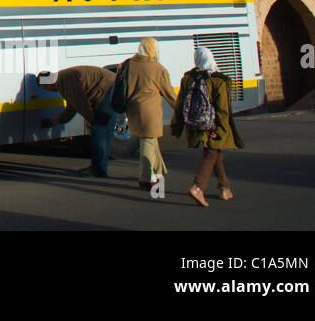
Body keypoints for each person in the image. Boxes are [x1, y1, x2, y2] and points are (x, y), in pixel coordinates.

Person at [172, 45, 244, 207]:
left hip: (195, 124)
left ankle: (225, 187)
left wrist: (177, 127)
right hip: (212, 126)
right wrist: (220, 131)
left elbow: (180, 104)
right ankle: (198, 187)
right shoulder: (218, 80)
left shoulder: (188, 79)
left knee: (215, 153)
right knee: (211, 154)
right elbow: (223, 110)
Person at [39, 65, 118, 177]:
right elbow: (72, 107)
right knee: (106, 131)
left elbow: (82, 105)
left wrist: (91, 120)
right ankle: (100, 167)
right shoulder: (62, 79)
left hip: (106, 89)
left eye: (43, 87)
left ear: (47, 83)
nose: (46, 90)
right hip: (113, 85)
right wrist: (56, 121)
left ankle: (98, 170)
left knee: (98, 130)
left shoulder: (65, 82)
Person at [122, 37, 177, 190]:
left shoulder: (127, 64)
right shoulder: (158, 69)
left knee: (150, 140)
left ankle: (160, 170)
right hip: (150, 112)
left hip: (131, 110)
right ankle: (145, 178)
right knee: (147, 141)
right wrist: (182, 109)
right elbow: (170, 94)